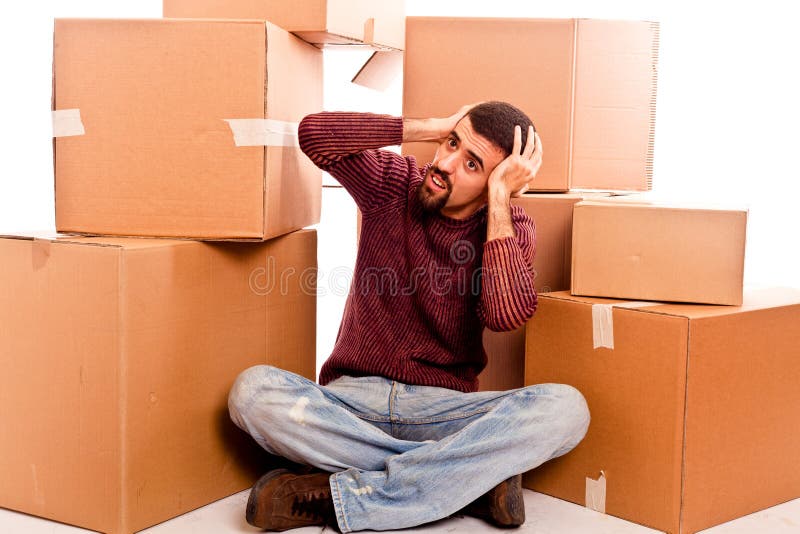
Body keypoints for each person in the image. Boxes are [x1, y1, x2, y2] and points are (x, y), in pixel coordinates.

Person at [228, 102, 590, 532]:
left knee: (567, 409)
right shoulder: (394, 185)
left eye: (472, 164)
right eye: (452, 144)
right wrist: (436, 125)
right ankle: (466, 482)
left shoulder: (507, 227)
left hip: (440, 412)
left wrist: (500, 200)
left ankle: (345, 497)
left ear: (496, 182)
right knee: (251, 393)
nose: (447, 164)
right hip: (351, 402)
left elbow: (505, 313)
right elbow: (314, 135)